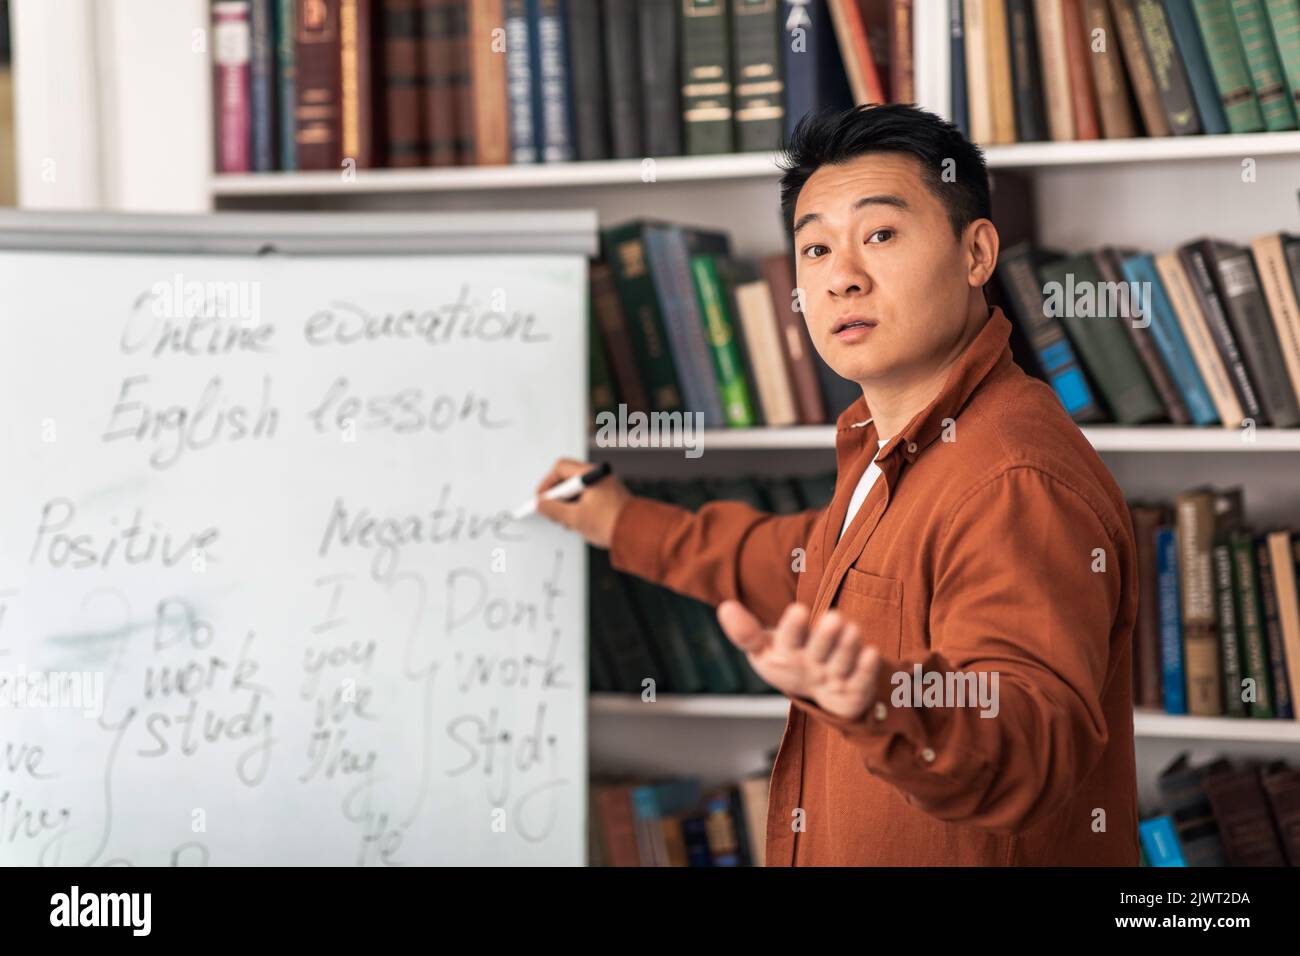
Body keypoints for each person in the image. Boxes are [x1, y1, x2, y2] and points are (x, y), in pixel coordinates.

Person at [535, 103, 1139, 866]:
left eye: (880, 235)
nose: (842, 278)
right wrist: (619, 521)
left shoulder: (1012, 477)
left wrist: (882, 701)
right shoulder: (891, 448)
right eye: (815, 248)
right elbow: (797, 560)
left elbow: (1029, 740)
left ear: (976, 251)